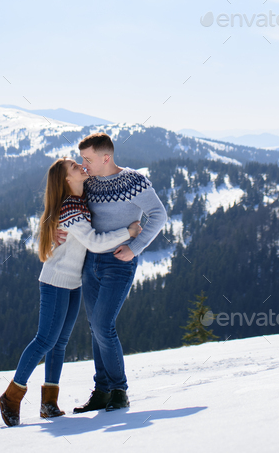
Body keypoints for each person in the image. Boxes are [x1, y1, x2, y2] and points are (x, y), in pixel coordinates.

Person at [0, 157, 142, 427]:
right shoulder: (70, 208)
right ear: (66, 180)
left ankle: (49, 403)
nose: (81, 167)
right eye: (75, 167)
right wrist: (128, 231)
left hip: (73, 282)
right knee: (45, 340)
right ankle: (12, 395)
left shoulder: (80, 199)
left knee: (59, 344)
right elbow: (93, 240)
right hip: (55, 282)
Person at [60, 132, 167, 414]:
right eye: (82, 159)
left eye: (88, 159)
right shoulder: (90, 182)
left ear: (106, 157)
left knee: (103, 325)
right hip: (90, 262)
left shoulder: (133, 181)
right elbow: (72, 206)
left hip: (119, 262)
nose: (84, 165)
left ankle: (119, 390)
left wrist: (135, 248)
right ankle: (102, 391)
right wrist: (59, 231)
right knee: (95, 328)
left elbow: (158, 214)